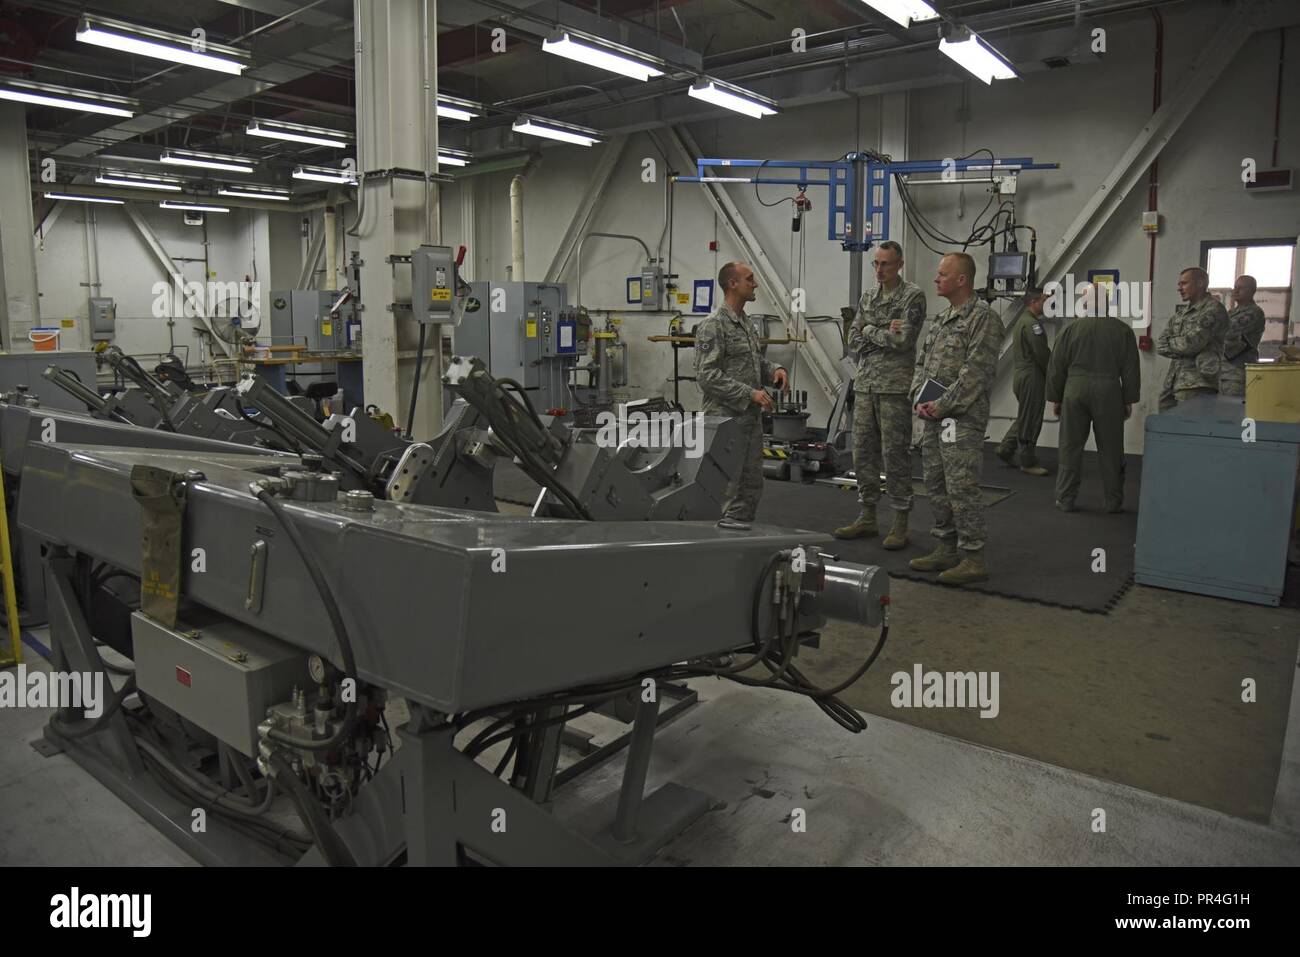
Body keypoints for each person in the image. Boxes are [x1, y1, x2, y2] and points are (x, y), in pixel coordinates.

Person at [908, 253, 1004, 585]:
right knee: (935, 483)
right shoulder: (943, 317)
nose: (936, 279)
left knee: (961, 485)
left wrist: (943, 404)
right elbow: (922, 363)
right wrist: (919, 398)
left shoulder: (984, 318)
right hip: (934, 417)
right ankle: (946, 548)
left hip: (960, 420)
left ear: (961, 280)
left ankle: (974, 557)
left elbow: (976, 372)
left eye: (942, 274)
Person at [834, 241, 927, 548]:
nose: (879, 270)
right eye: (876, 264)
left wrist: (871, 331)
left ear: (899, 264)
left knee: (895, 455)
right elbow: (853, 339)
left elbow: (902, 340)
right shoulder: (869, 296)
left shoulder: (912, 296)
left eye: (885, 264)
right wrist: (880, 330)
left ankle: (900, 522)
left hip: (894, 389)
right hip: (865, 386)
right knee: (862, 452)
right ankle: (868, 516)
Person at [695, 261, 788, 530]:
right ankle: (714, 545)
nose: (755, 283)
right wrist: (750, 394)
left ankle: (739, 539)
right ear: (732, 284)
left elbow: (754, 362)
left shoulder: (746, 324)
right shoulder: (713, 326)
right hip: (725, 423)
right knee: (725, 488)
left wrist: (775, 371)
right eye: (749, 279)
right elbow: (707, 376)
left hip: (749, 422)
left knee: (750, 487)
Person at [1045, 284, 1141, 513]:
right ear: (1107, 303)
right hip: (1109, 391)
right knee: (1111, 448)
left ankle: (1065, 499)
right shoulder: (1122, 331)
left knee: (1070, 446)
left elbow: (1056, 367)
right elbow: (1130, 368)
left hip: (1074, 389)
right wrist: (1129, 398)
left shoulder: (1069, 330)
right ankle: (1112, 501)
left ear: (1085, 303)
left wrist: (1056, 397)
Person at [995, 288, 1051, 477]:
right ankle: (1027, 461)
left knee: (1026, 416)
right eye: (1043, 299)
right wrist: (1053, 372)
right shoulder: (1032, 324)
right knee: (1031, 420)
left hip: (1022, 375)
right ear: (1033, 302)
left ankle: (1006, 448)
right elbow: (1041, 353)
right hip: (1032, 376)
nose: (1046, 303)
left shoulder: (1023, 322)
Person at [1156, 266, 1228, 411]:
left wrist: (1176, 343)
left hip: (1198, 383)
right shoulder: (1181, 314)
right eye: (1179, 284)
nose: (1179, 288)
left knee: (1189, 428)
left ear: (1200, 283)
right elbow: (1160, 344)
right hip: (1173, 382)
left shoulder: (1213, 309)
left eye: (1184, 283)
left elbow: (1191, 344)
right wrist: (1182, 345)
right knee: (1164, 427)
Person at [1220, 275, 1266, 397]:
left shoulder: (1254, 312)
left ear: (1252, 291)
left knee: (1232, 413)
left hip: (1236, 374)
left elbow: (1227, 331)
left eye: (1241, 288)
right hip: (1221, 372)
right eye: (1235, 287)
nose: (1235, 291)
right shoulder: (1231, 313)